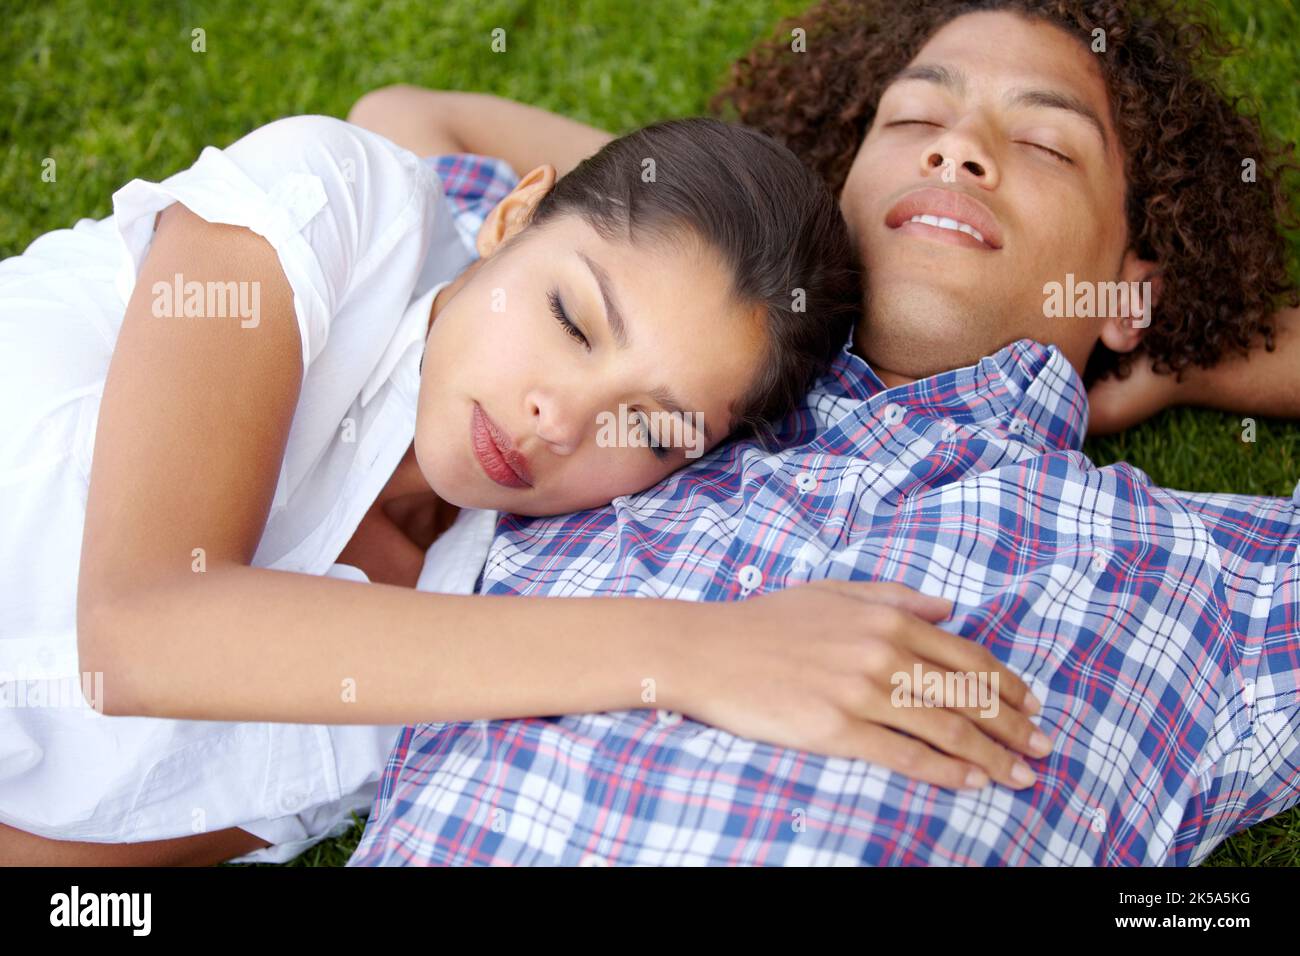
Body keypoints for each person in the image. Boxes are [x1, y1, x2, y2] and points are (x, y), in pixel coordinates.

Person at [344, 0, 1300, 865]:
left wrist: (1181, 344)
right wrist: (752, 235)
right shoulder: (624, 399)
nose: (956, 151)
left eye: (1047, 144)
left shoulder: (1203, 577)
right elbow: (405, 119)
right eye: (914, 121)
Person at [1, 112, 1027, 866]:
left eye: (652, 426)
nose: (561, 419)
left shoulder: (457, 651)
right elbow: (141, 629)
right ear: (512, 216)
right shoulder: (337, 209)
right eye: (574, 319)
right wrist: (691, 650)